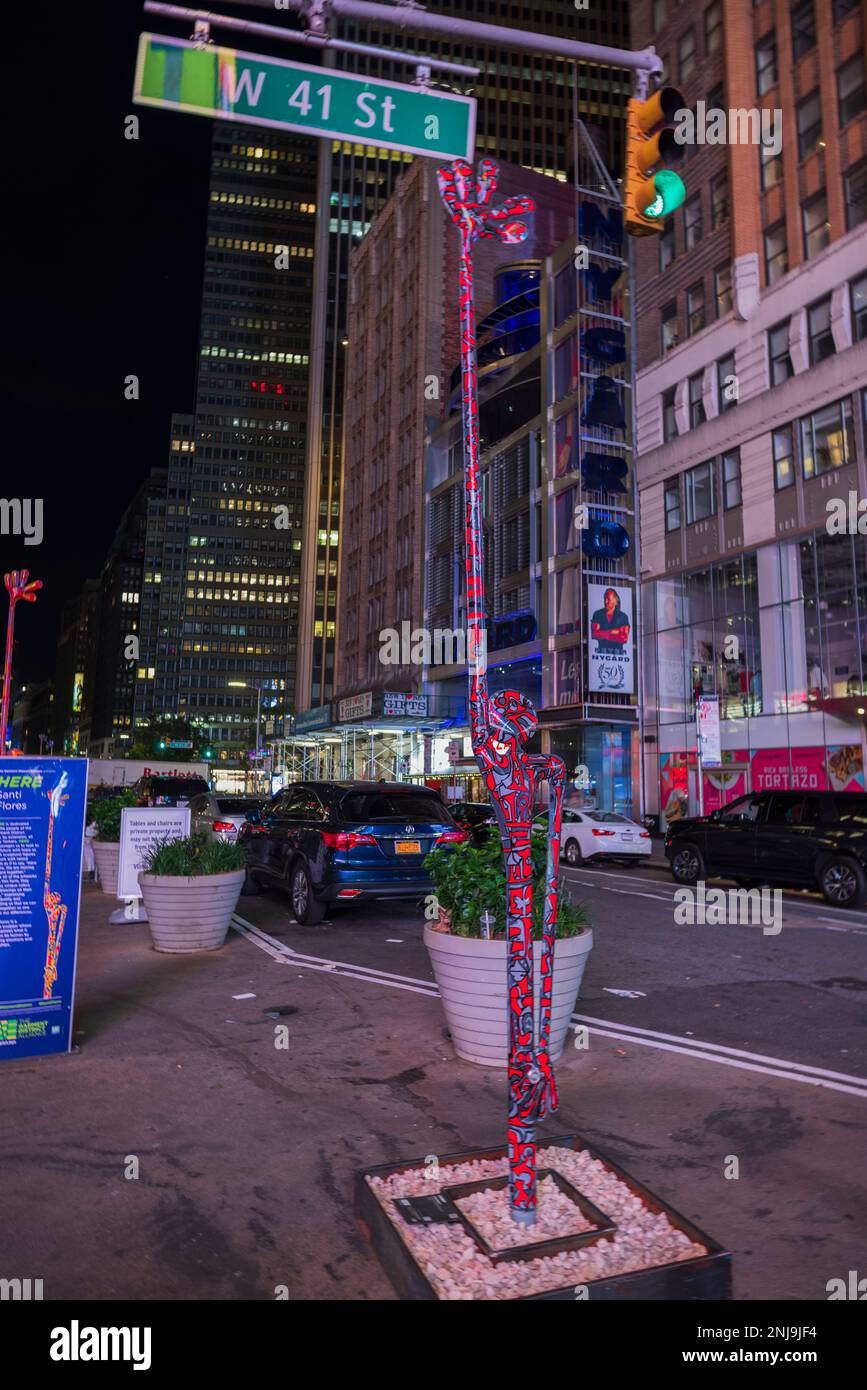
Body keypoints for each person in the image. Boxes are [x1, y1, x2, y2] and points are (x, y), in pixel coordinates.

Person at [590, 587, 630, 653]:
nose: (606, 601)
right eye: (605, 599)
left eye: (608, 599)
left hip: (618, 655)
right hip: (601, 653)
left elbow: (624, 638)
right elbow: (594, 634)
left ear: (616, 601)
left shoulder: (623, 616)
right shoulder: (597, 614)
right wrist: (613, 632)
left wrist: (603, 633)